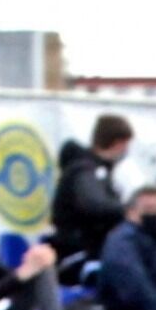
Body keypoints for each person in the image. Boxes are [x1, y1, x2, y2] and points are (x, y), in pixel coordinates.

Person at [49, 113, 133, 280]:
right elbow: (94, 206)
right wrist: (129, 211)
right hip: (80, 250)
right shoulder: (85, 172)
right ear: (118, 143)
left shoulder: (98, 172)